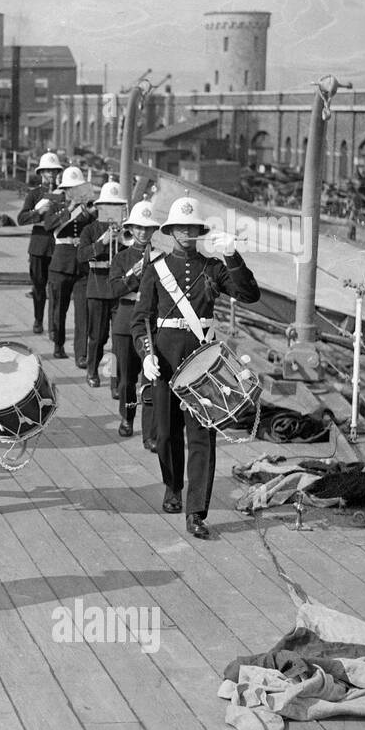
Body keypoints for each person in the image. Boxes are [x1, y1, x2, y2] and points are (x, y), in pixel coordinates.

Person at [133, 197, 260, 540]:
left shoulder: (213, 267)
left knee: (202, 436)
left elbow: (250, 295)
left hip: (202, 363)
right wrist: (146, 354)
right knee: (166, 434)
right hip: (164, 359)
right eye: (181, 228)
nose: (186, 233)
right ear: (171, 231)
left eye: (192, 228)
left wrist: (233, 255)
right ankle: (173, 487)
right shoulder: (155, 268)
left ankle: (196, 512)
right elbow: (140, 319)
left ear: (199, 231)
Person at [106, 201, 161, 444]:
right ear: (132, 229)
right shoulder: (121, 257)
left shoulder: (161, 258)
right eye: (138, 228)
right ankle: (127, 416)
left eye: (147, 229)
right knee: (127, 379)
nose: (143, 233)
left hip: (150, 322)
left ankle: (149, 432)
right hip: (126, 320)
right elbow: (113, 289)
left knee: (151, 379)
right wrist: (134, 274)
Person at [76, 180, 127, 387]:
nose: (112, 210)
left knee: (118, 338)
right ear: (99, 207)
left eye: (116, 206)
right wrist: (102, 243)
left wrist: (123, 241)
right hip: (97, 289)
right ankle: (92, 370)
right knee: (97, 336)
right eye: (108, 206)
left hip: (119, 290)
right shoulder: (90, 230)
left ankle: (116, 382)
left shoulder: (126, 230)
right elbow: (81, 256)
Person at [47, 166, 95, 365]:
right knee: (59, 308)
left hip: (82, 265)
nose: (73, 192)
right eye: (70, 189)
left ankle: (81, 354)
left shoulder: (90, 209)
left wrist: (91, 212)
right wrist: (70, 207)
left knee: (83, 312)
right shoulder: (56, 207)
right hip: (61, 264)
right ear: (64, 190)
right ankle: (58, 344)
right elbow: (48, 226)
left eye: (78, 189)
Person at [18, 152, 64, 335]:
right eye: (47, 171)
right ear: (41, 172)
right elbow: (21, 218)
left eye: (54, 171)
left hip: (58, 245)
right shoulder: (35, 193)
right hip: (38, 246)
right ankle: (38, 320)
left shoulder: (64, 193)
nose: (51, 175)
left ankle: (54, 326)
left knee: (55, 289)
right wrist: (39, 212)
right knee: (38, 286)